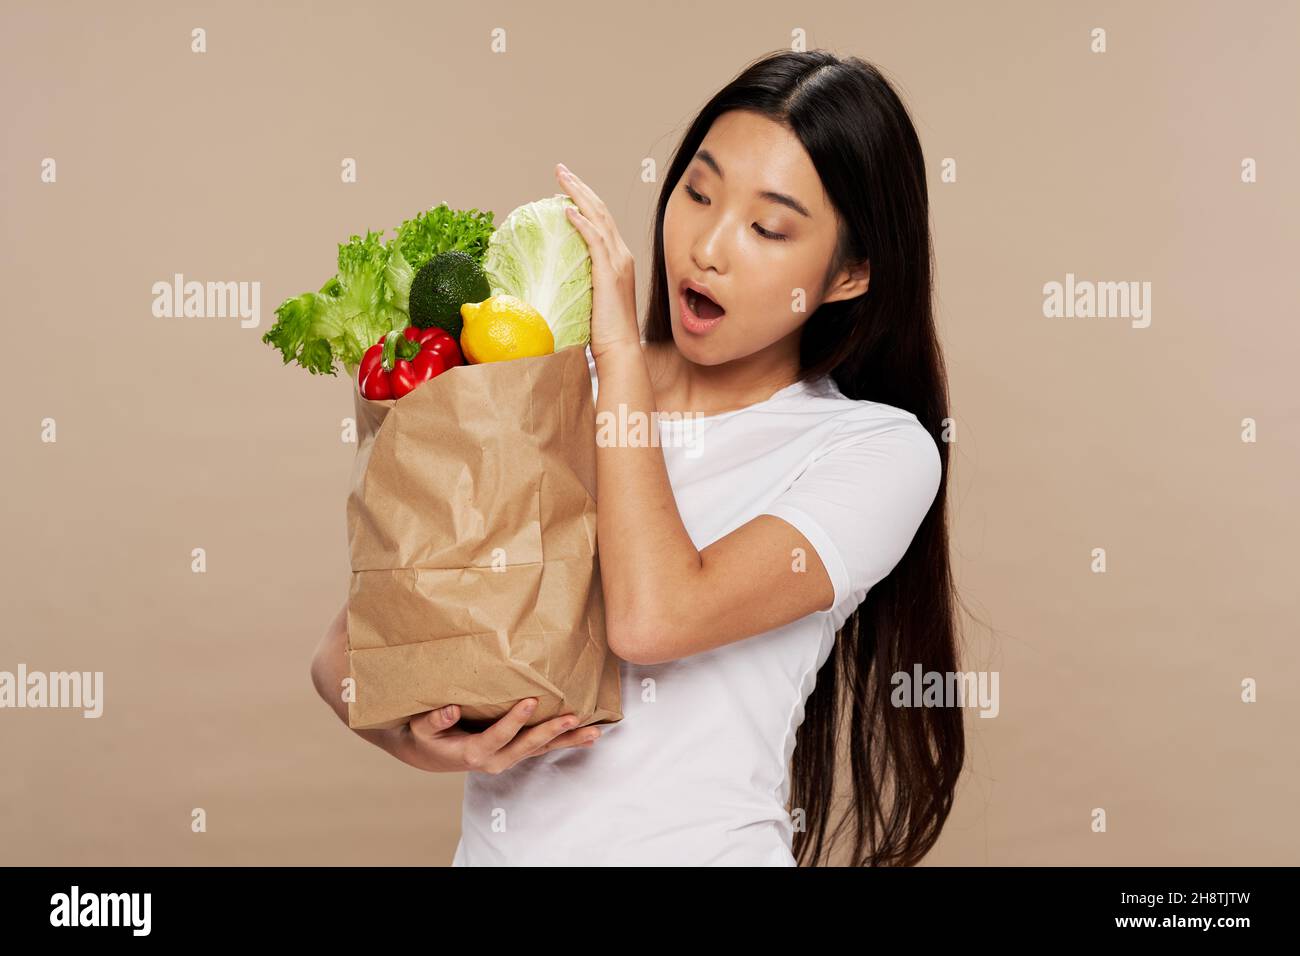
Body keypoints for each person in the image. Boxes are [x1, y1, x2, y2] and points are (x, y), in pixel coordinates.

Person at [313, 49, 965, 867]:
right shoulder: (543, 389)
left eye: (768, 227)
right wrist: (421, 745)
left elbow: (653, 619)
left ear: (850, 274)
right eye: (698, 192)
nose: (707, 247)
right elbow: (350, 650)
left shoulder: (875, 452)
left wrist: (618, 353)